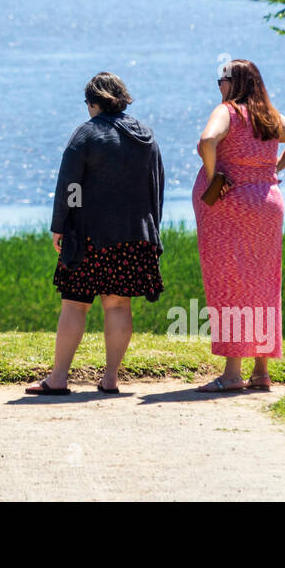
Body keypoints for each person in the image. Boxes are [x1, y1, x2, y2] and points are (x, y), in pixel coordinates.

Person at [26, 72, 166, 396]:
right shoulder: (146, 135)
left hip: (89, 237)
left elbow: (71, 185)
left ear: (93, 102)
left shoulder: (87, 134)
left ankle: (58, 379)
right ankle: (111, 378)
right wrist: (151, 228)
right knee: (118, 305)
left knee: (74, 305)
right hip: (135, 236)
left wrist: (61, 224)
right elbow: (156, 184)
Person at [191, 58, 285, 393]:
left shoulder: (227, 111)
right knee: (264, 283)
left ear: (234, 83)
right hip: (267, 204)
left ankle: (232, 374)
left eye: (222, 80)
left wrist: (214, 177)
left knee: (230, 283)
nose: (219, 86)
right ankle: (261, 371)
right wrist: (272, 169)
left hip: (230, 208)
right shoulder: (267, 116)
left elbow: (207, 140)